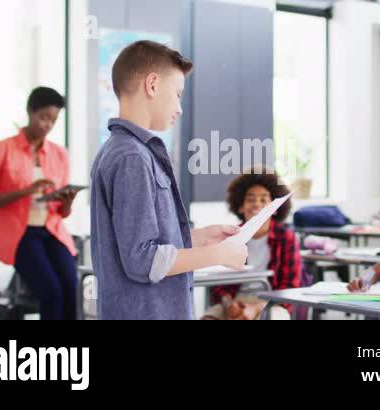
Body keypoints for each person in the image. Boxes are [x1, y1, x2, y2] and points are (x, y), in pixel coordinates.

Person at [90, 40, 248, 320]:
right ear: (152, 85)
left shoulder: (127, 152)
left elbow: (144, 240)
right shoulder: (132, 158)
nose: (180, 108)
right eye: (177, 94)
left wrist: (198, 238)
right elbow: (142, 260)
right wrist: (220, 255)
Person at [0, 87, 79, 320]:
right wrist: (26, 191)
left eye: (54, 120)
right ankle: (51, 356)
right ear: (30, 112)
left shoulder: (60, 154)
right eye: (43, 117)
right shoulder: (4, 148)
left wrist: (66, 202)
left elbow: (61, 213)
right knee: (51, 292)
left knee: (71, 287)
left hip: (52, 231)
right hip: (19, 234)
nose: (48, 125)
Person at [203, 166, 303, 320]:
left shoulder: (286, 239)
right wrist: (229, 304)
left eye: (264, 199)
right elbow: (218, 285)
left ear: (274, 208)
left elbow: (289, 288)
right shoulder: (230, 236)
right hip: (234, 301)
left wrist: (255, 309)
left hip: (271, 303)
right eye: (250, 199)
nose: (257, 204)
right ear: (241, 206)